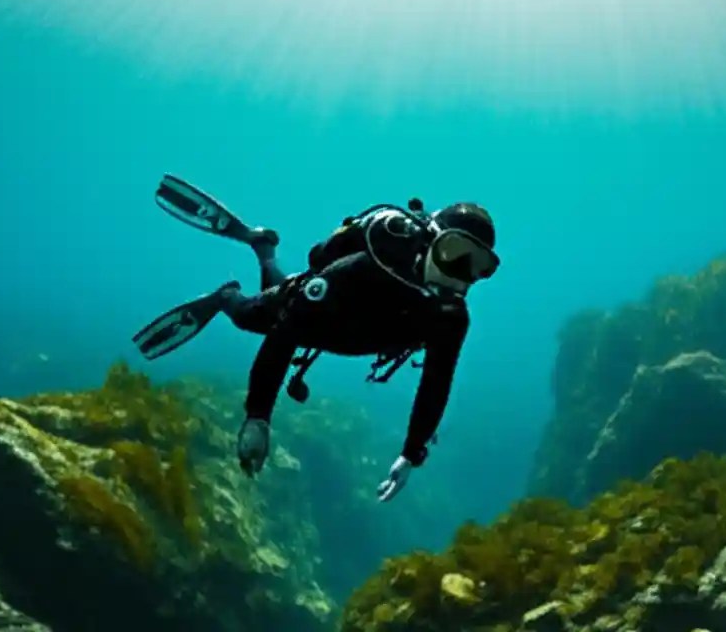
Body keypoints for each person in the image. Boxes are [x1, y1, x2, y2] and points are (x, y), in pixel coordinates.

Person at [132, 175, 499, 502]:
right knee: (250, 316)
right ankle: (225, 295)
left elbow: (437, 382)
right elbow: (287, 330)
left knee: (276, 289)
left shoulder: (451, 319)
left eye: (479, 265)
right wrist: (258, 417)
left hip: (342, 331)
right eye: (455, 253)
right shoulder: (364, 268)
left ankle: (263, 246)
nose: (462, 274)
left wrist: (412, 453)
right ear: (429, 240)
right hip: (311, 316)